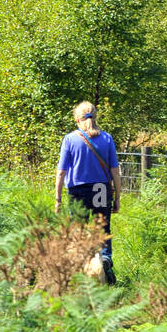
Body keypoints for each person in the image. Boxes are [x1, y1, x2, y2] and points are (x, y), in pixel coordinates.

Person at [55, 101, 121, 284]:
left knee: (78, 230)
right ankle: (105, 260)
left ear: (77, 119)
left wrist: (58, 199)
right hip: (101, 189)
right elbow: (115, 171)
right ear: (95, 117)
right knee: (102, 228)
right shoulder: (107, 138)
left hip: (78, 191)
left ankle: (81, 270)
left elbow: (61, 172)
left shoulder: (70, 139)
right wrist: (117, 198)